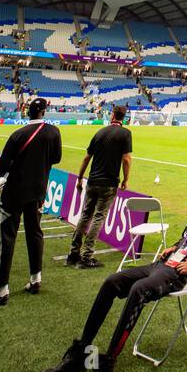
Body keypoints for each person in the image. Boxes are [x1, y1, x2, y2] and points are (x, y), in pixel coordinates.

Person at [41, 176, 187, 372]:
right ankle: (82, 350)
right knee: (111, 281)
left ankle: (107, 367)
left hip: (175, 275)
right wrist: (173, 247)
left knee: (138, 290)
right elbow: (186, 240)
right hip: (161, 265)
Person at [0, 99, 62, 307]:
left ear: (28, 113)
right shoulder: (54, 132)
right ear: (43, 112)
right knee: (35, 234)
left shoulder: (18, 135)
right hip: (38, 193)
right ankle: (35, 280)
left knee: (7, 239)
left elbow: (2, 166)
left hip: (13, 194)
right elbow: (56, 159)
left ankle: (2, 291)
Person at [67, 105, 132, 269]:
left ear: (112, 116)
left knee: (85, 215)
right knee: (98, 217)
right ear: (123, 117)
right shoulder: (125, 134)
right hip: (108, 183)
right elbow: (126, 159)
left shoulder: (100, 132)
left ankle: (73, 254)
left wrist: (80, 178)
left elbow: (86, 158)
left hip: (92, 181)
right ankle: (86, 257)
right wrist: (125, 180)